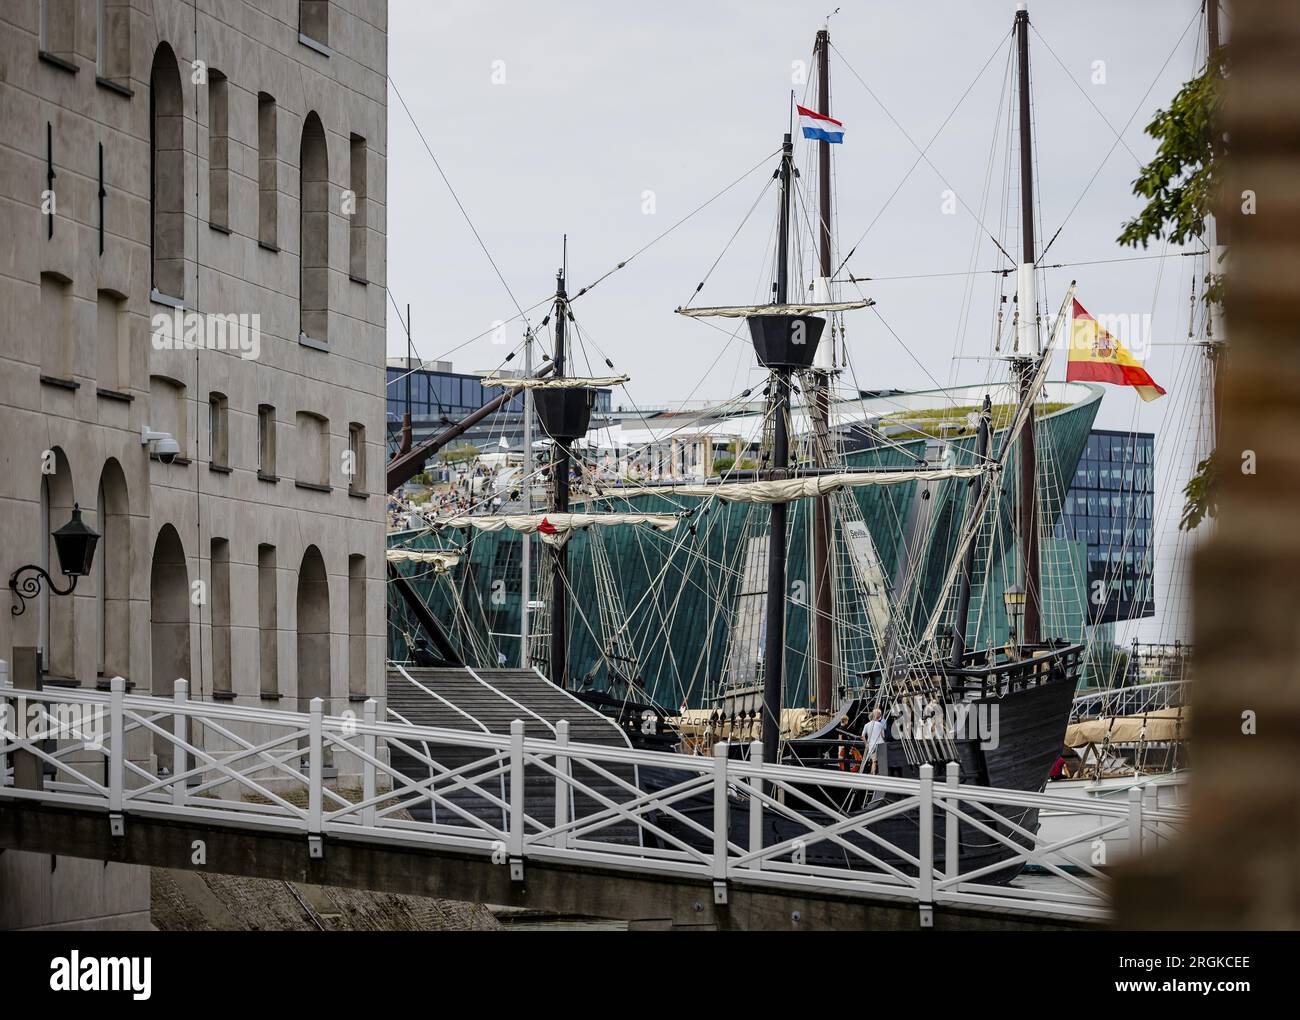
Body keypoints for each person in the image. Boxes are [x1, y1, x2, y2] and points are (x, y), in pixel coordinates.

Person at [862, 708, 886, 776]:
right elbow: (883, 735)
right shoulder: (879, 724)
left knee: (874, 761)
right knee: (881, 760)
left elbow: (863, 736)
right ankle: (881, 773)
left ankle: (873, 773)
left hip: (872, 744)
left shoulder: (866, 725)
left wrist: (866, 744)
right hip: (880, 743)